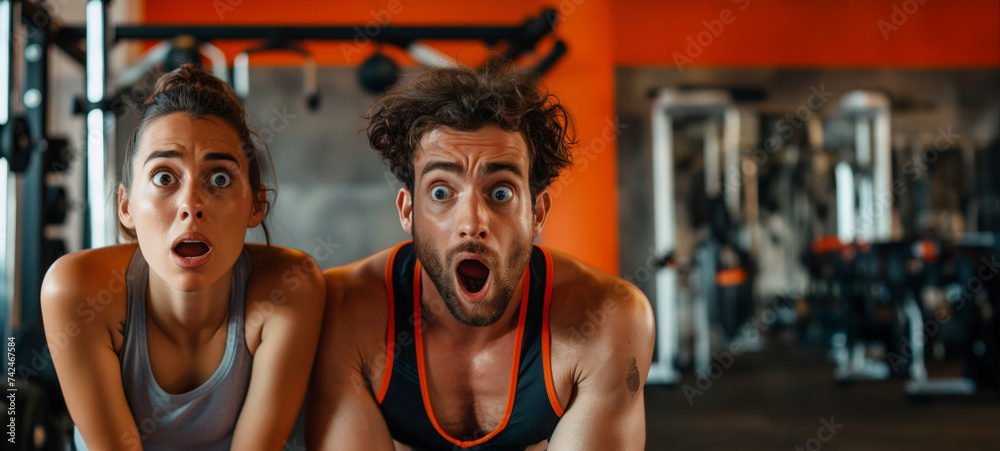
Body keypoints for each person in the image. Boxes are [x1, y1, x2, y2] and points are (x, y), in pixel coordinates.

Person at [306, 59, 655, 450]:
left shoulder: (605, 318)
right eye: (441, 192)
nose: (472, 223)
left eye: (500, 192)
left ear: (537, 214)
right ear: (407, 211)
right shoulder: (345, 310)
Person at [41, 65, 325, 450]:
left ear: (256, 206)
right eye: (164, 177)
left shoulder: (291, 287)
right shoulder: (76, 290)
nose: (191, 205)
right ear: (125, 207)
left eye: (220, 178)